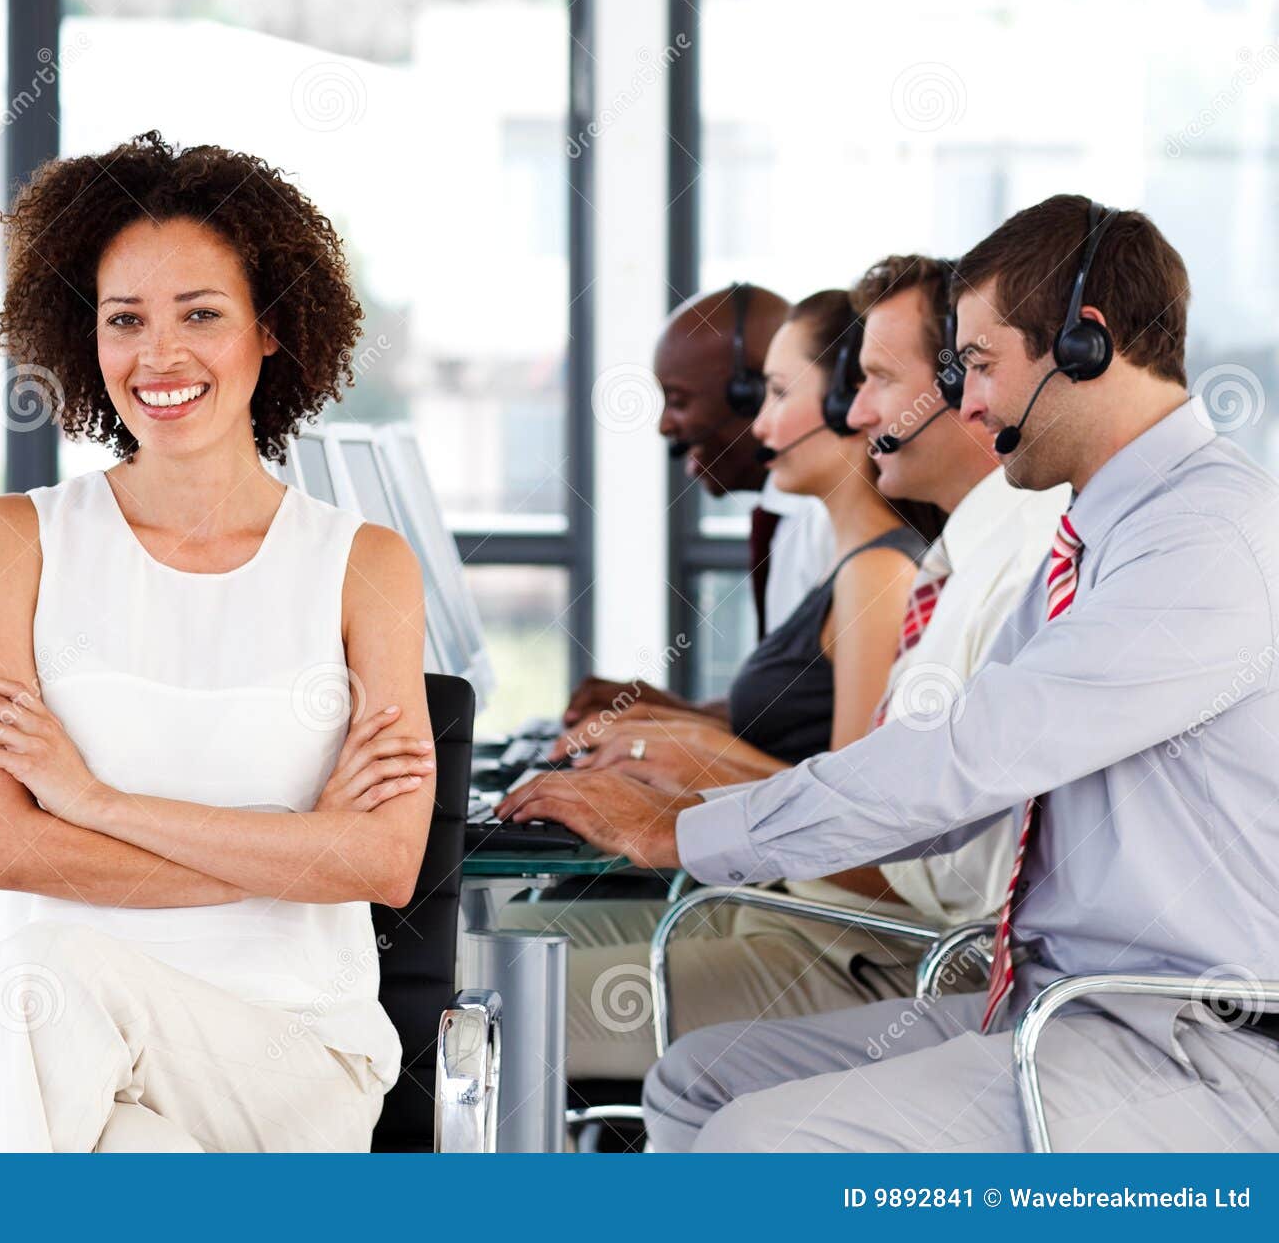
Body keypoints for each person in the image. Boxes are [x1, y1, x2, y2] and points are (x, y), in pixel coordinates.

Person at [507, 194, 1279, 1151]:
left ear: (1083, 345)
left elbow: (969, 757)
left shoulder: (1204, 539)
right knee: (696, 1082)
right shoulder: (1098, 534)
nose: (970, 403)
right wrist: (704, 814)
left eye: (984, 365)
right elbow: (946, 787)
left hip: (1197, 1053)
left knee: (757, 1147)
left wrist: (687, 831)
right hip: (1060, 1013)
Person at [0, 132, 436, 1153]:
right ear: (87, 341)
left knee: (44, 981)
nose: (158, 357)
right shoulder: (14, 541)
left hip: (279, 1061)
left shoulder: (363, 564)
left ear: (270, 330)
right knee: (97, 1104)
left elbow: (384, 859)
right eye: (125, 321)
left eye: (201, 314)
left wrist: (92, 804)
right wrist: (297, 849)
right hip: (39, 1063)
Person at [509, 257, 1072, 1080]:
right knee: (498, 952)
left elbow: (916, 854)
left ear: (961, 387)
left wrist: (687, 800)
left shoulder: (990, 571)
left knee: (486, 996)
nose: (858, 409)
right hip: (809, 917)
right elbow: (881, 803)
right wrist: (684, 778)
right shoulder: (955, 569)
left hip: (864, 950)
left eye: (876, 380)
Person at [562, 282, 834, 731]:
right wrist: (669, 712)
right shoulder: (785, 518)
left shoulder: (823, 524)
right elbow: (791, 720)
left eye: (680, 400)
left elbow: (831, 750)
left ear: (750, 394)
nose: (665, 425)